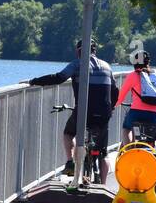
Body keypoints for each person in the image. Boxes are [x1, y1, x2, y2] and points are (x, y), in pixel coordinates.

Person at [28, 40, 119, 185]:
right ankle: (103, 185)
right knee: (103, 153)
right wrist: (112, 107)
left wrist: (34, 81)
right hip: (104, 114)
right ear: (95, 51)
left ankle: (70, 163)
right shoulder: (107, 66)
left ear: (78, 51)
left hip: (84, 111)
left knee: (69, 133)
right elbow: (115, 90)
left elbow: (59, 78)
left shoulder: (77, 64)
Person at [117, 49, 156, 143]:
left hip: (136, 112)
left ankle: (130, 152)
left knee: (126, 129)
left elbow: (121, 96)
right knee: (149, 140)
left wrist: (114, 105)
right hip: (153, 114)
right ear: (148, 63)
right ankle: (148, 153)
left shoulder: (133, 75)